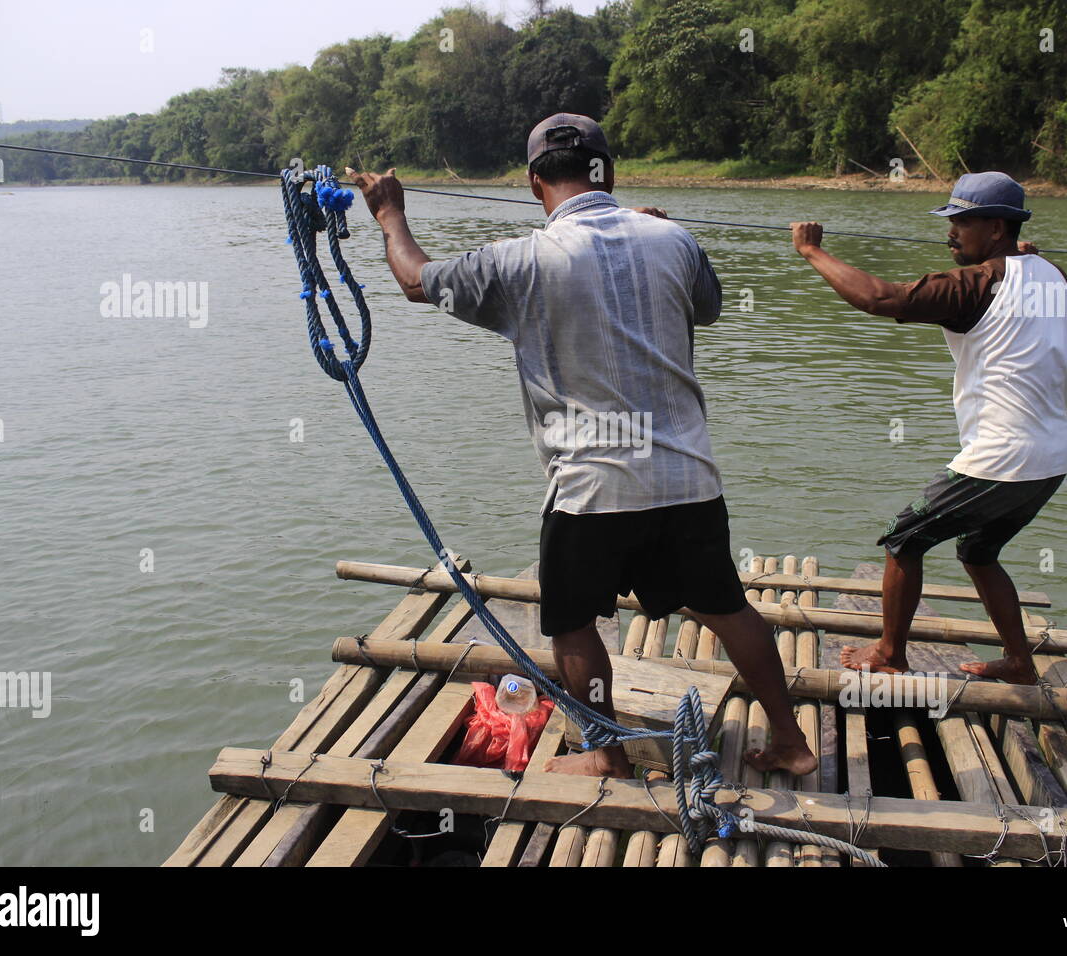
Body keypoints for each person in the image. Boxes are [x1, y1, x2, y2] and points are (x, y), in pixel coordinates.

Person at [348, 113, 816, 777]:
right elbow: (705, 307)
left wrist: (391, 216)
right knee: (727, 608)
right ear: (610, 173)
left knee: (571, 623)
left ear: (536, 180)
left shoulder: (519, 260)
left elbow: (418, 281)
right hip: (687, 477)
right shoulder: (673, 239)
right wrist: (656, 233)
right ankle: (792, 742)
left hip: (591, 486)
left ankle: (608, 759)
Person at [791, 171, 1067, 685]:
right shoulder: (1052, 276)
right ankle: (1018, 662)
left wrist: (813, 251)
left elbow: (881, 298)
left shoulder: (973, 285)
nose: (950, 233)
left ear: (995, 228)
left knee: (904, 538)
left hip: (1003, 459)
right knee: (978, 550)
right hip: (1051, 459)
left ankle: (890, 653)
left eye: (961, 223)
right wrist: (1019, 256)